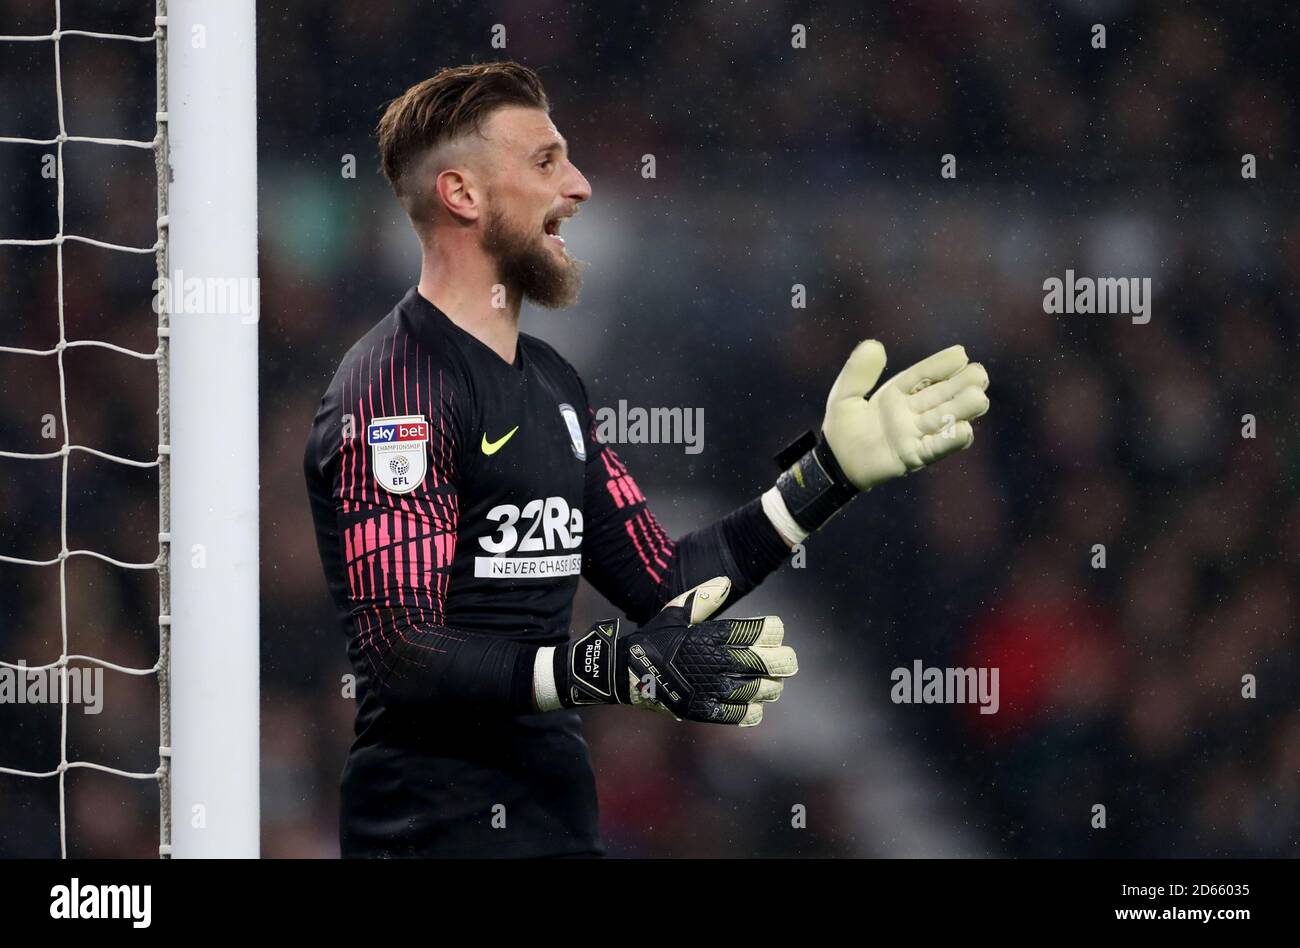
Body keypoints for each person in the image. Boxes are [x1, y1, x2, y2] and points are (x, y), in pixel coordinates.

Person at [303, 61, 991, 857]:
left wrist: (825, 475)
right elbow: (403, 650)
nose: (581, 187)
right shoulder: (397, 388)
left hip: (553, 828)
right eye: (545, 162)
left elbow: (663, 584)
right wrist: (597, 672)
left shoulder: (553, 385)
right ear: (463, 195)